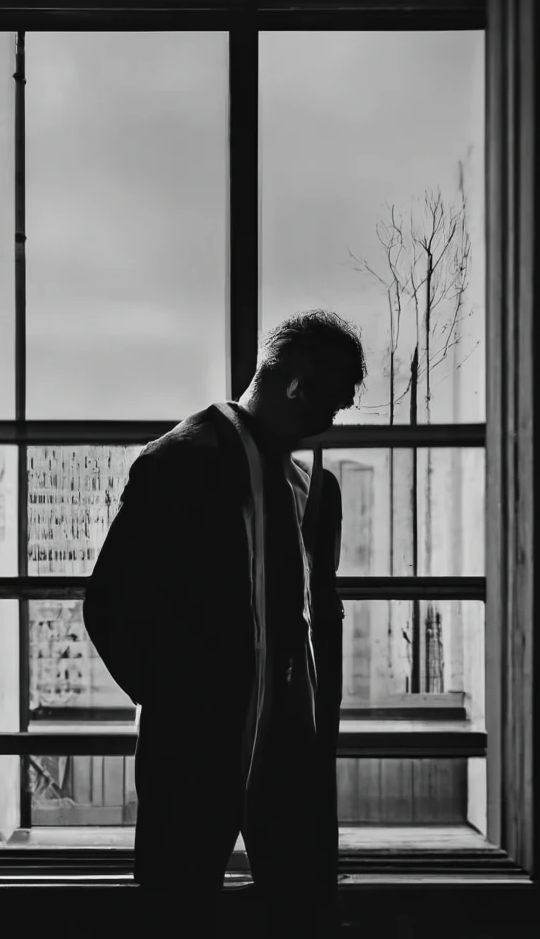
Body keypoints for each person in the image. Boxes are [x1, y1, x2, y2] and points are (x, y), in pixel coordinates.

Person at [83, 310, 366, 937]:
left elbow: (316, 614)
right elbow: (108, 604)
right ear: (296, 385)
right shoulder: (182, 462)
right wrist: (179, 702)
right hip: (198, 748)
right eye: (333, 402)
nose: (331, 421)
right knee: (180, 904)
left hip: (290, 753)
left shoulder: (314, 488)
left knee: (299, 906)